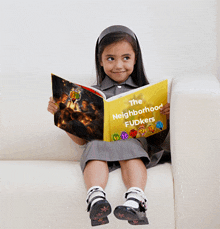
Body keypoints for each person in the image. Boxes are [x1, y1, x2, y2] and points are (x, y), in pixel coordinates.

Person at [47, 25, 170, 226]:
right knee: (94, 145)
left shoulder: (147, 92)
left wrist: (165, 118)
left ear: (135, 58)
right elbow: (80, 141)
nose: (118, 65)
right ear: (100, 60)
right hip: (100, 146)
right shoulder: (89, 95)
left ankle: (136, 200)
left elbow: (155, 139)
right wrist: (63, 116)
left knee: (128, 144)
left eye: (126, 58)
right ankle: (96, 199)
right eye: (110, 58)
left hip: (134, 145)